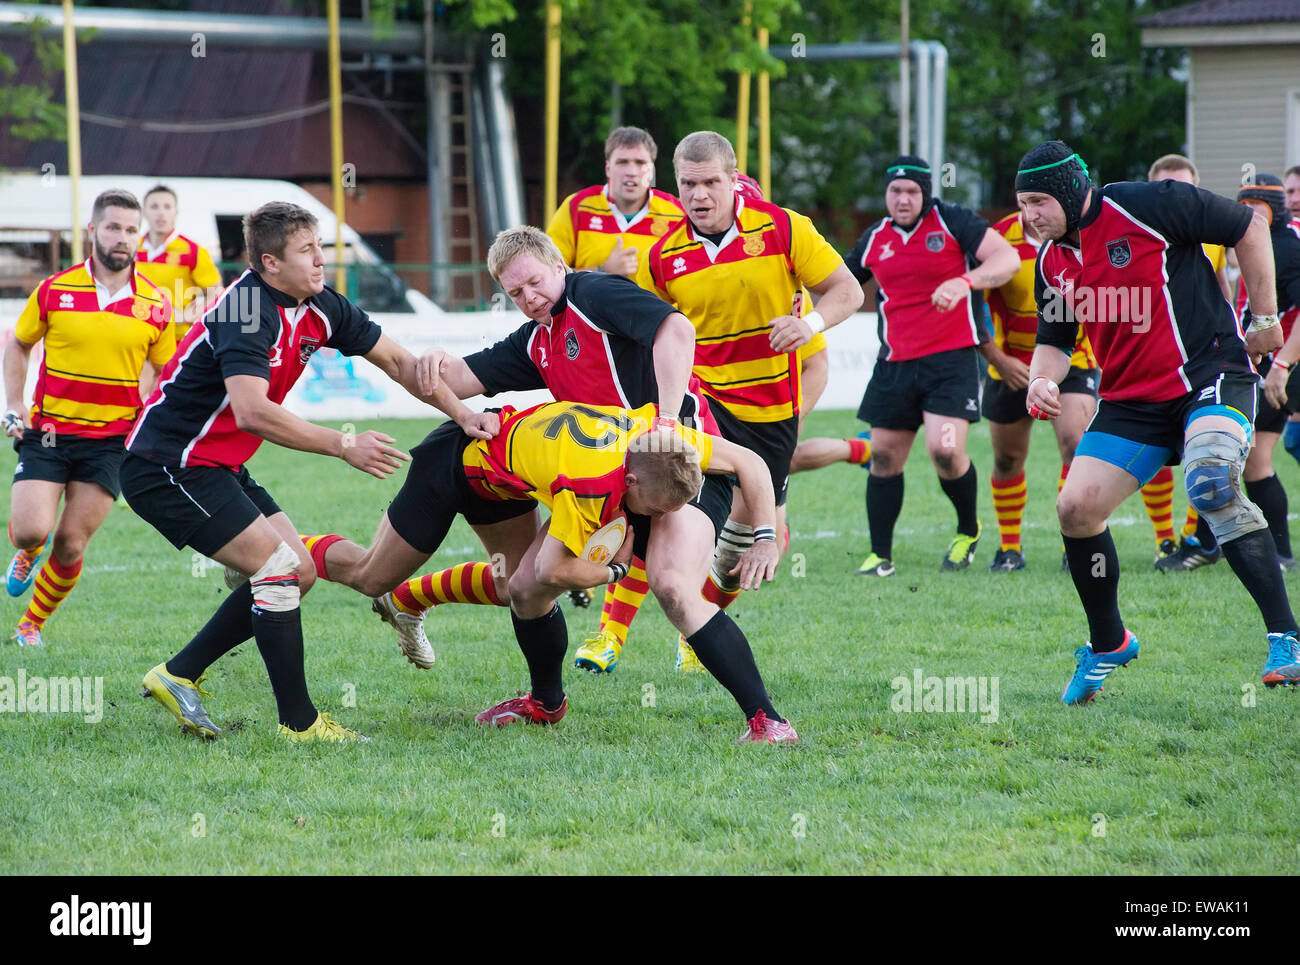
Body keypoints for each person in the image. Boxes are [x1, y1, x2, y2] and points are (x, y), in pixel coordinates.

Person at [122, 201, 474, 742]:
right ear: (269, 263)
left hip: (216, 465)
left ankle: (177, 673)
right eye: (307, 251)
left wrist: (466, 414)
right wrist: (343, 443)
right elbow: (252, 411)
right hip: (167, 465)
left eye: (320, 248)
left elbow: (401, 364)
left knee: (299, 572)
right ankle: (301, 724)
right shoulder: (244, 309)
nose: (321, 262)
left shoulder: (322, 306)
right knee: (280, 572)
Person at [309, 225, 701, 676]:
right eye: (515, 292)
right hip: (468, 465)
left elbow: (676, 328)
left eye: (535, 283)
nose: (529, 297)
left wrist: (667, 425)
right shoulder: (536, 339)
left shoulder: (591, 292)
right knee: (382, 576)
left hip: (599, 465)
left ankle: (409, 601)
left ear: (560, 266)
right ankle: (278, 553)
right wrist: (434, 360)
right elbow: (453, 380)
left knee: (516, 585)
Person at [297, 399, 798, 741]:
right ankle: (287, 552)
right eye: (656, 512)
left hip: (513, 481)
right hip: (453, 468)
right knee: (372, 575)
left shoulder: (658, 439)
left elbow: (750, 461)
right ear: (627, 482)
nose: (659, 524)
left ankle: (767, 721)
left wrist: (765, 537)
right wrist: (617, 572)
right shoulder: (588, 485)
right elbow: (558, 569)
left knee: (517, 588)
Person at [1017, 140, 1300, 701]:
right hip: (1129, 403)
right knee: (1075, 509)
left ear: (1070, 193)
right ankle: (1108, 642)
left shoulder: (1145, 204)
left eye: (1037, 202)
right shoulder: (1051, 263)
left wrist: (1266, 318)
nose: (1028, 215)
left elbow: (1251, 227)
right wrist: (1041, 381)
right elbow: (1054, 343)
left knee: (1212, 479)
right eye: (1022, 202)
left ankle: (1286, 637)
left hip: (1208, 374)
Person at [643, 130, 863, 669]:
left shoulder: (784, 227)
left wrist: (807, 322)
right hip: (705, 402)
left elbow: (849, 291)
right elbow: (652, 335)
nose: (699, 195)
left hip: (772, 408)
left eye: (710, 182)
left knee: (747, 539)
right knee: (678, 510)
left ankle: (707, 610)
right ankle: (650, 623)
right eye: (688, 184)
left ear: (732, 178)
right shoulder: (663, 256)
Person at [3, 189, 175, 647]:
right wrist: (14, 404)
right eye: (113, 227)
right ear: (92, 231)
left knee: (72, 544)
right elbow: (17, 343)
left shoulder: (155, 304)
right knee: (31, 530)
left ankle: (31, 625)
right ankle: (28, 550)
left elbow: (165, 372)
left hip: (110, 443)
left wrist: (148, 417)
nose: (122, 238)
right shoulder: (55, 289)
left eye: (131, 230)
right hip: (49, 432)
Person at [844, 156, 1019, 577]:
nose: (903, 199)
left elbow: (1006, 259)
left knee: (945, 450)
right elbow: (839, 282)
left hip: (950, 363)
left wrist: (965, 282)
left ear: (926, 193)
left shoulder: (954, 222)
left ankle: (968, 530)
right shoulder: (876, 238)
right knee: (883, 456)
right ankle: (880, 555)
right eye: (895, 192)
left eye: (911, 192)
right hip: (894, 366)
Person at [977, 209, 1098, 571]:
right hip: (1012, 367)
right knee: (1007, 460)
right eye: (1026, 198)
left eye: (1041, 198)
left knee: (1075, 447)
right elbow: (970, 310)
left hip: (1073, 361)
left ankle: (1074, 546)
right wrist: (998, 361)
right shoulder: (995, 240)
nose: (1033, 209)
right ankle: (1009, 549)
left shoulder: (1089, 236)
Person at [1141, 156, 1233, 568]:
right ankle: (1164, 538)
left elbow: (1222, 293)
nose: (1175, 197)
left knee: (1202, 447)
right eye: (1166, 188)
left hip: (1200, 363)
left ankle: (1195, 538)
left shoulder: (1211, 234)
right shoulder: (1131, 236)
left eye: (1183, 188)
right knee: (1154, 450)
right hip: (1145, 362)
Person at [1232, 176, 1300, 567]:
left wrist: (1280, 365)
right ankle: (1275, 552)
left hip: (1280, 367)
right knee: (1252, 462)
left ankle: (1278, 553)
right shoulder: (1258, 241)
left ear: (1272, 210)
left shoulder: (1286, 249)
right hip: (1267, 365)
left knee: (1252, 462)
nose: (1245, 216)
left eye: (1253, 208)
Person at [546, 126, 684, 293]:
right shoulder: (577, 206)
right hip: (591, 317)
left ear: (651, 170)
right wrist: (602, 271)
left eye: (640, 163)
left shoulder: (677, 213)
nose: (631, 172)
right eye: (622, 162)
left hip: (655, 318)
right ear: (608, 168)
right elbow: (548, 274)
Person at [135, 185, 223, 343]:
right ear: (144, 212)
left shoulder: (193, 251)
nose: (161, 212)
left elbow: (216, 294)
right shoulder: (132, 248)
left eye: (167, 206)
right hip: (138, 334)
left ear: (175, 212)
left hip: (177, 338)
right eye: (154, 206)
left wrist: (189, 315)